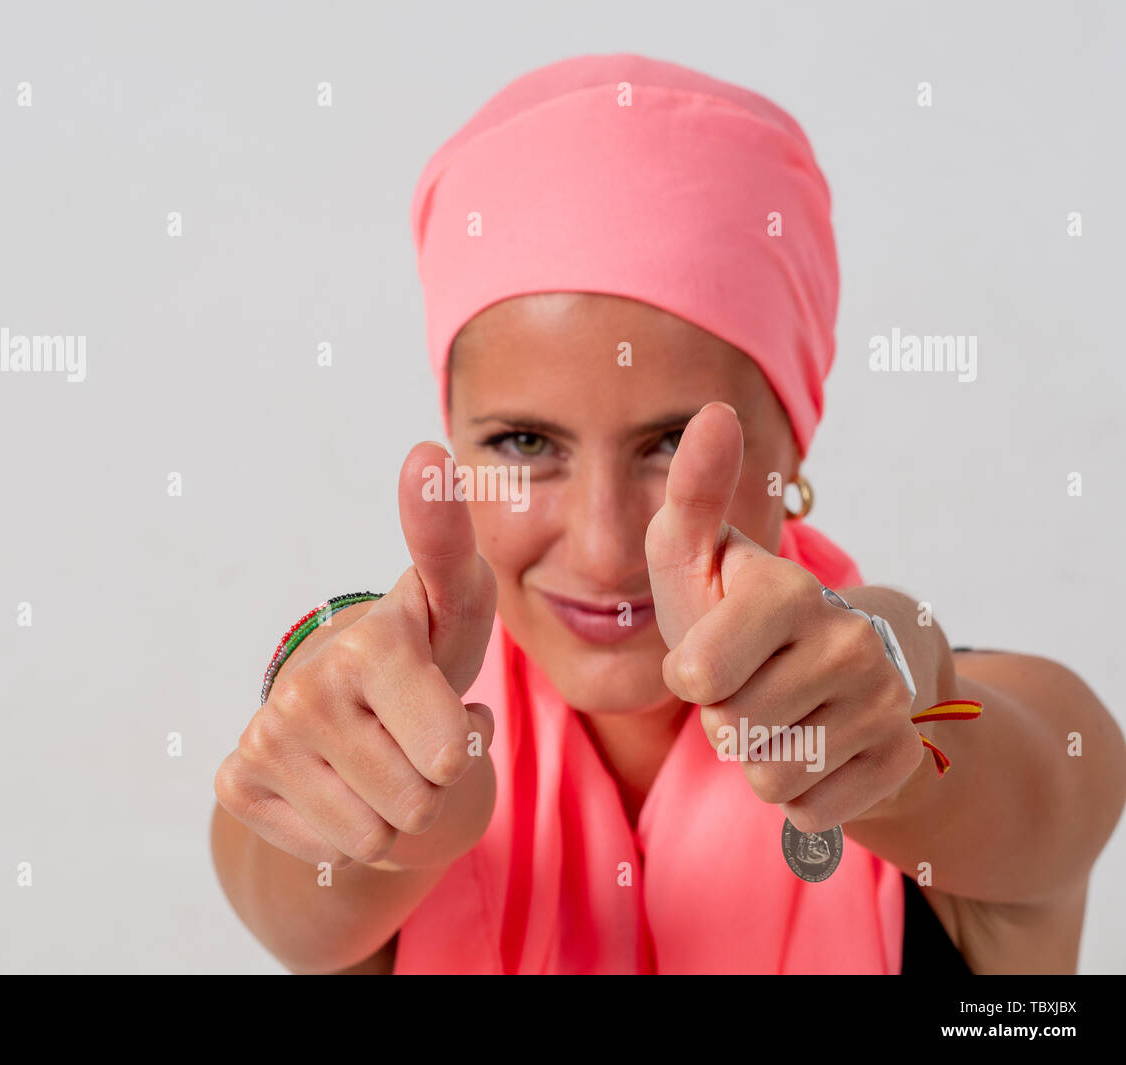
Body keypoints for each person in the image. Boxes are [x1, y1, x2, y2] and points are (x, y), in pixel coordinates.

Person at [211, 53, 1125, 974]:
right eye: (525, 445)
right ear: (454, 447)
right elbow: (294, 902)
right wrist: (398, 797)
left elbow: (1032, 764)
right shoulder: (337, 766)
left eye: (674, 445)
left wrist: (890, 670)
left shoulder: (1008, 744)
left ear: (795, 443)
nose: (607, 547)